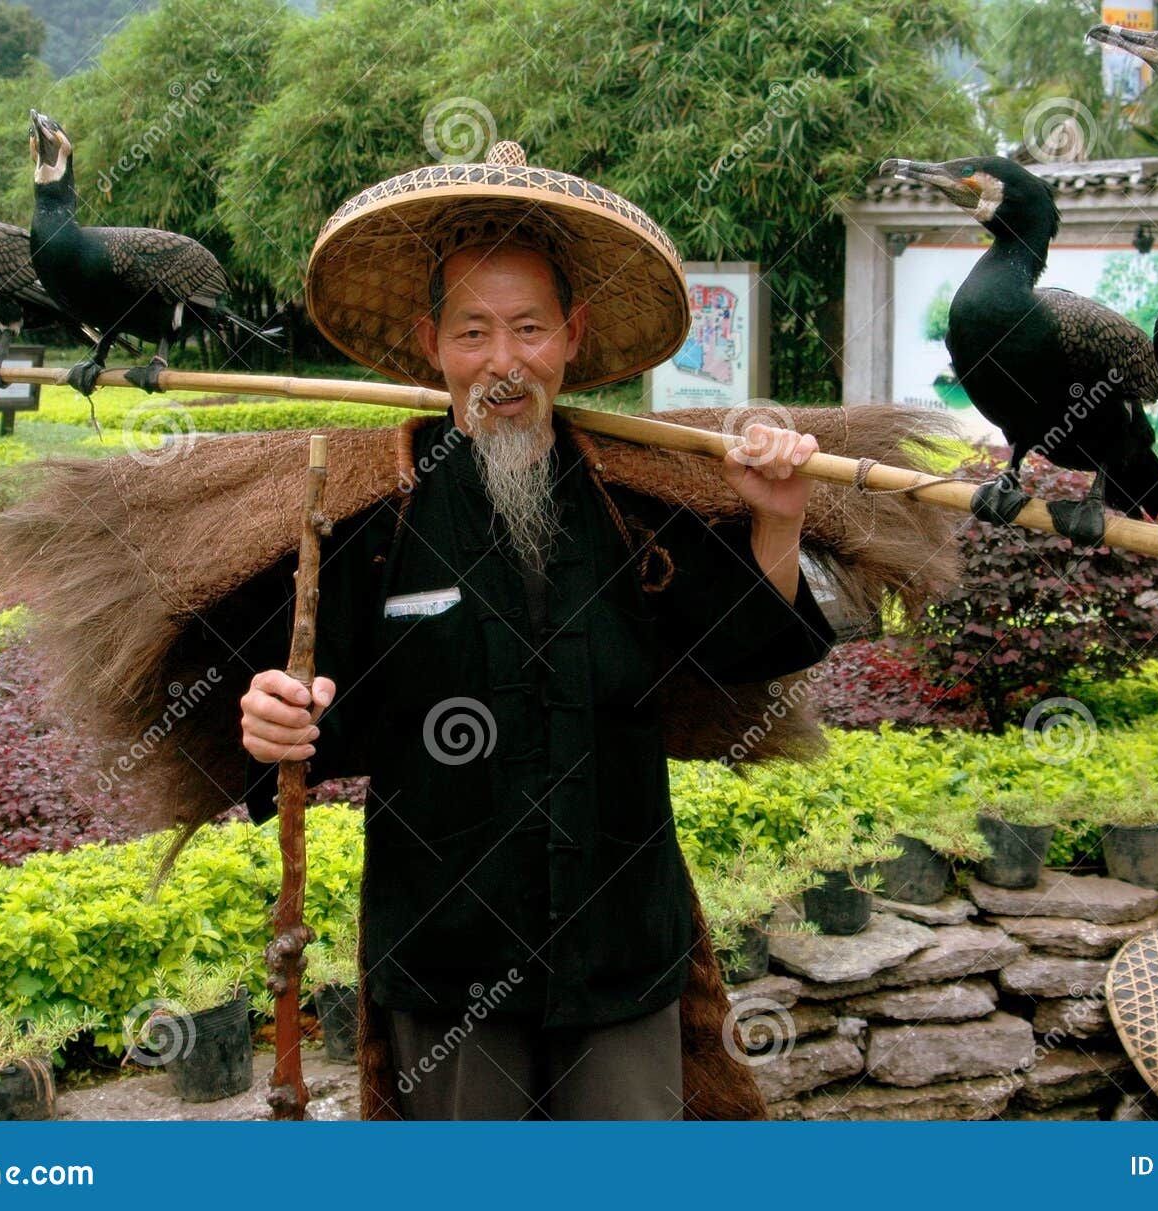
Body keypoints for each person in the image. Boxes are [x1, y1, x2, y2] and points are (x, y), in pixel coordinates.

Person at [239, 141, 835, 1120]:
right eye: (472, 331)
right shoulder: (370, 516)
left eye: (527, 327)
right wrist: (276, 719)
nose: (502, 362)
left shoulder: (631, 502)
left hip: (619, 954)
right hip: (449, 961)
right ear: (431, 341)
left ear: (572, 334)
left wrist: (774, 515)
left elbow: (743, 648)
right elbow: (317, 713)